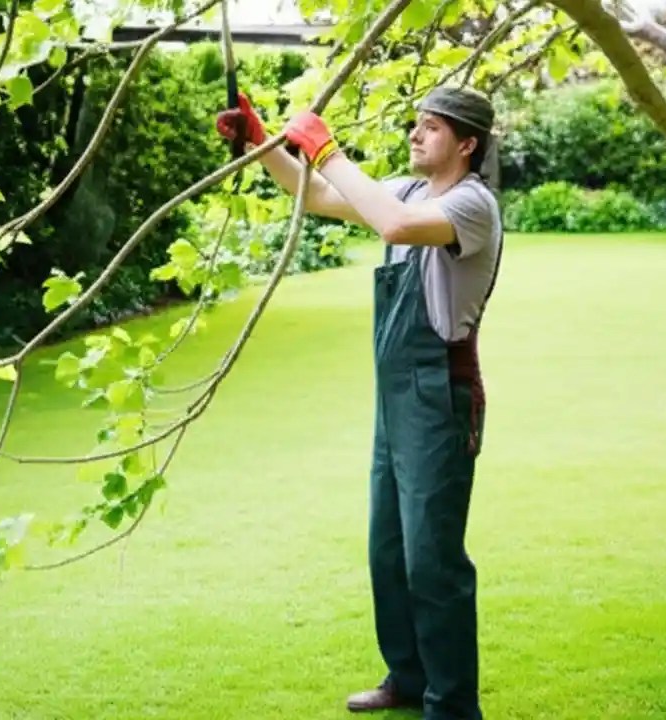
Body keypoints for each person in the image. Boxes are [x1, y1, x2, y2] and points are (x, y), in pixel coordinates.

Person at [216, 85, 503, 720]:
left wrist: (327, 147)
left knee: (434, 560)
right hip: (396, 394)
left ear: (467, 144)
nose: (416, 134)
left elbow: (394, 227)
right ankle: (407, 677)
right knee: (390, 549)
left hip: (440, 392)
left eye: (432, 128)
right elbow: (316, 194)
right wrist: (262, 141)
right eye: (417, 124)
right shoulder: (403, 190)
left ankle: (452, 705)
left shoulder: (472, 205)